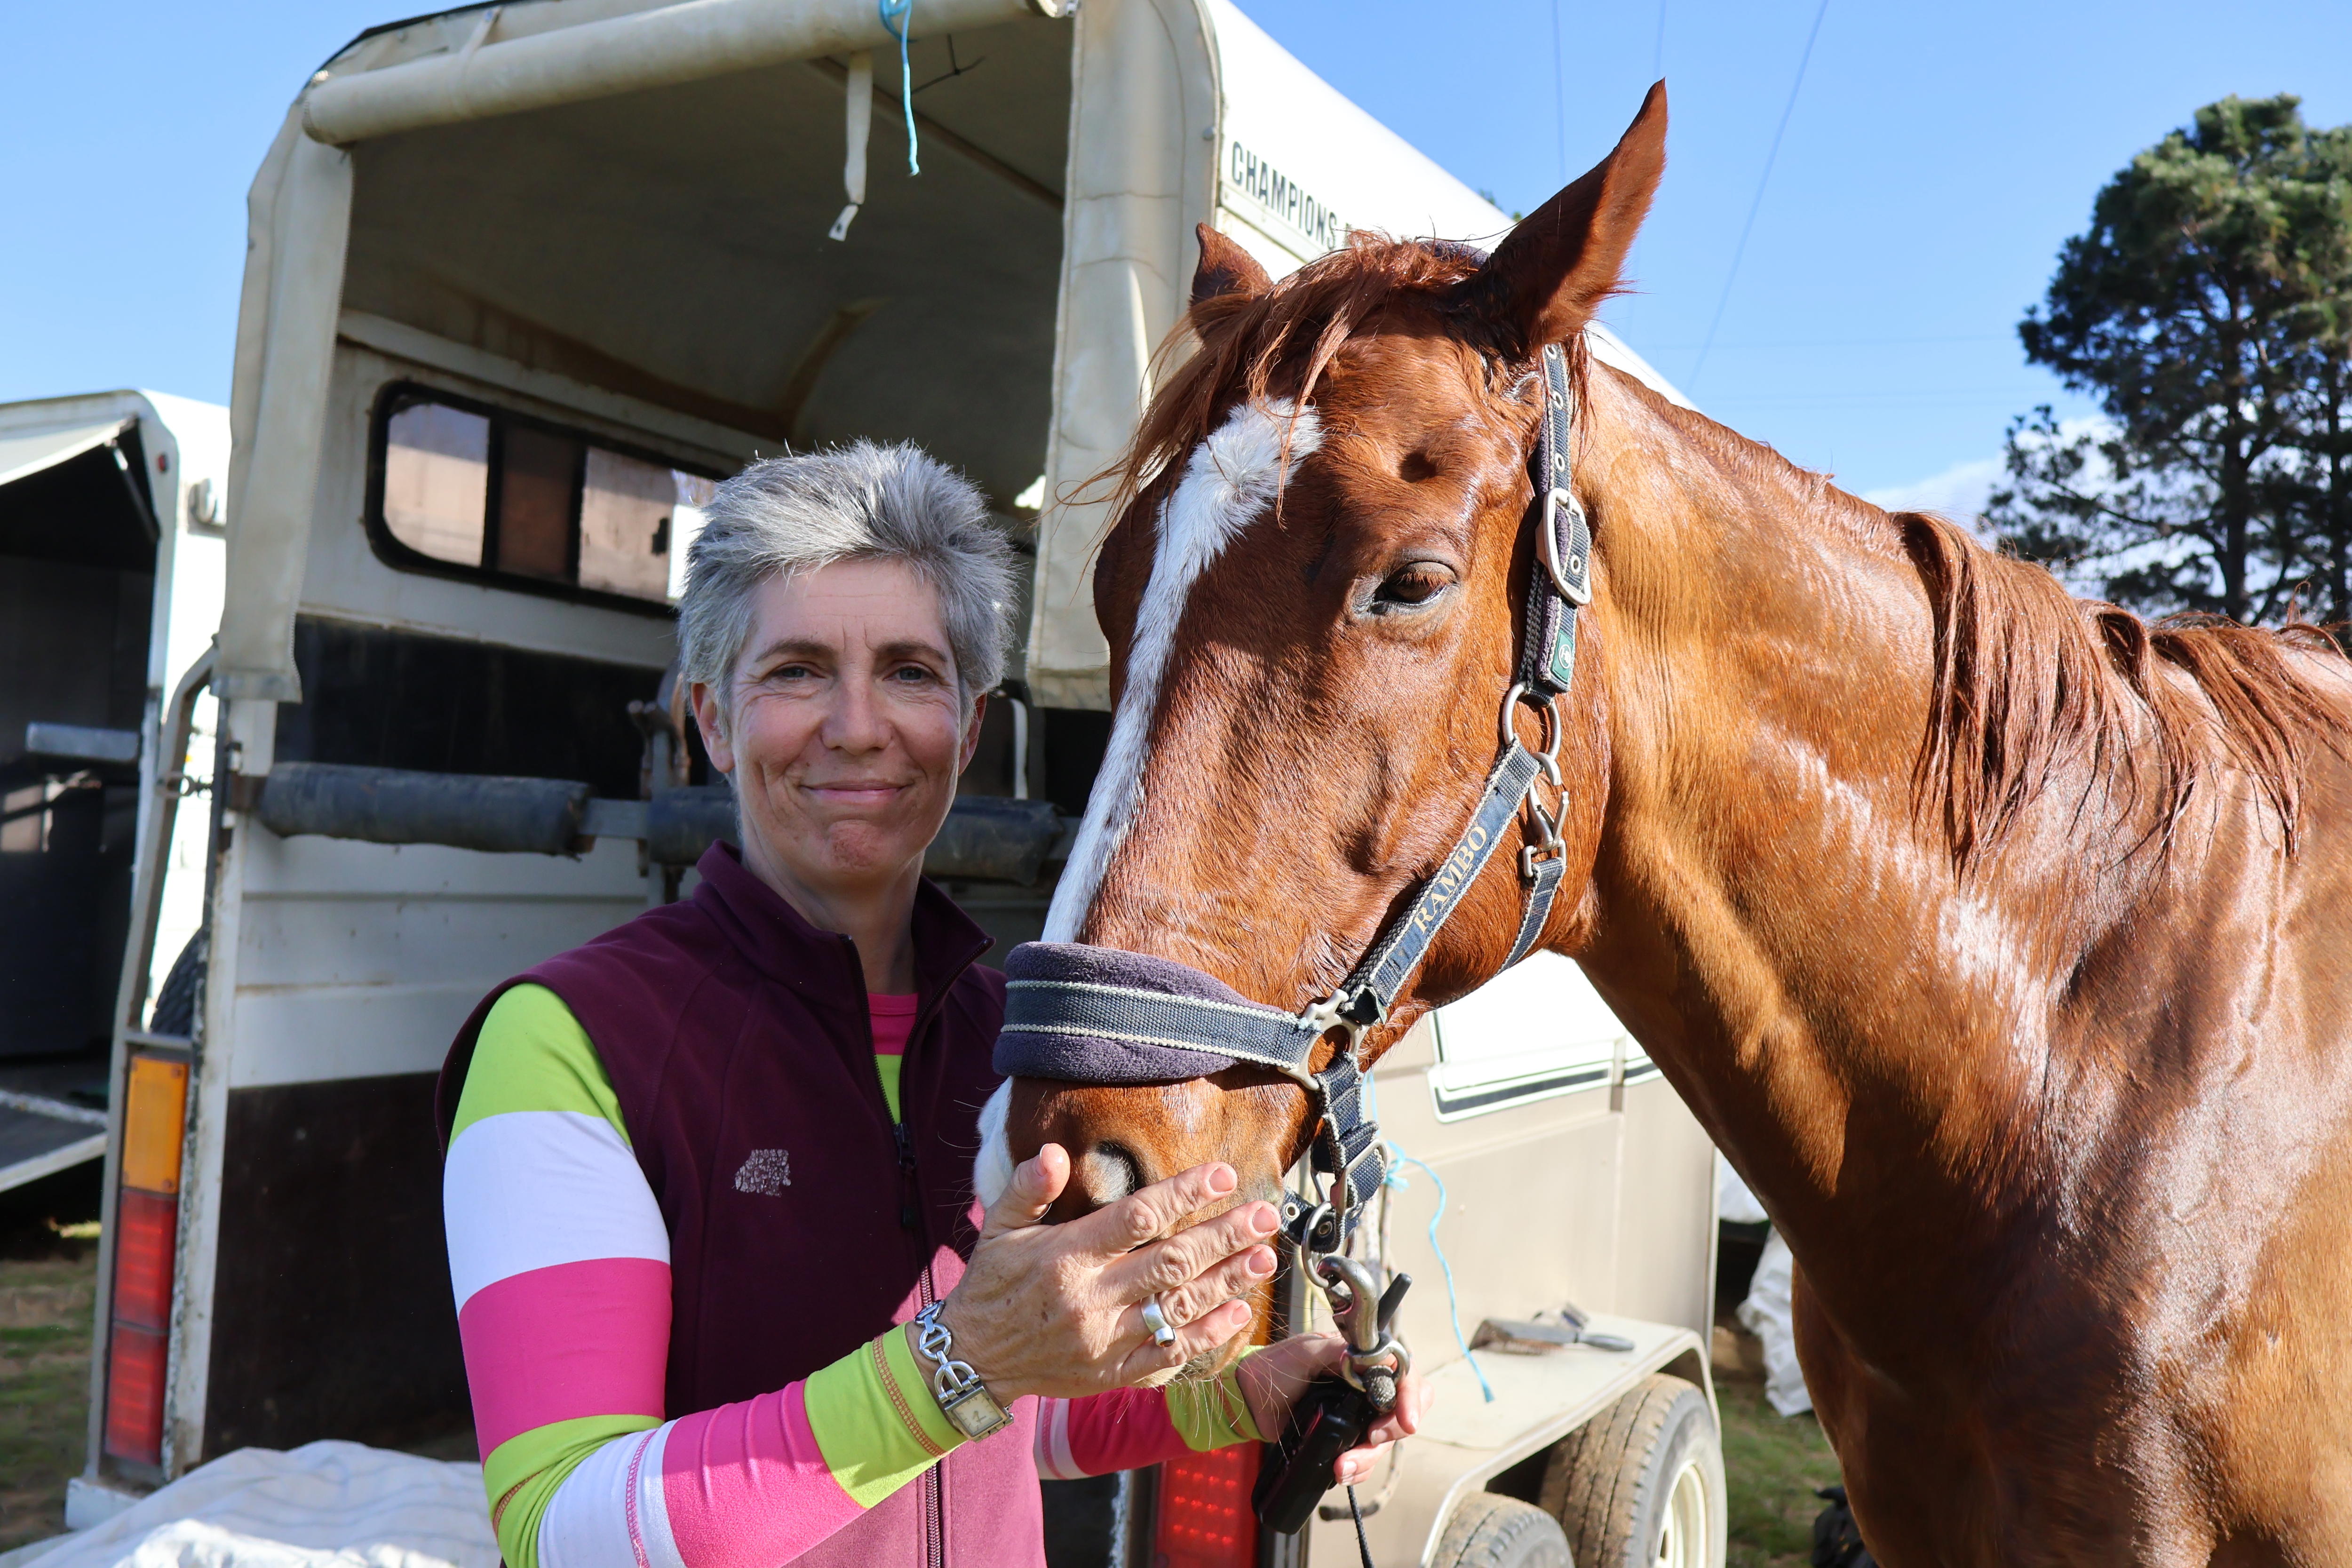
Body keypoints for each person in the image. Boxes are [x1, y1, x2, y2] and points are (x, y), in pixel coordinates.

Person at [437, 441, 1424, 1568]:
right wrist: (962, 1359)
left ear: (969, 725)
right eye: (797, 670)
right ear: (710, 718)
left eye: (909, 671)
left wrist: (1233, 1397)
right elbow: (560, 1525)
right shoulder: (567, 1039)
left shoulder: (1007, 1032)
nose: (858, 725)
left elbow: (1016, 1423)